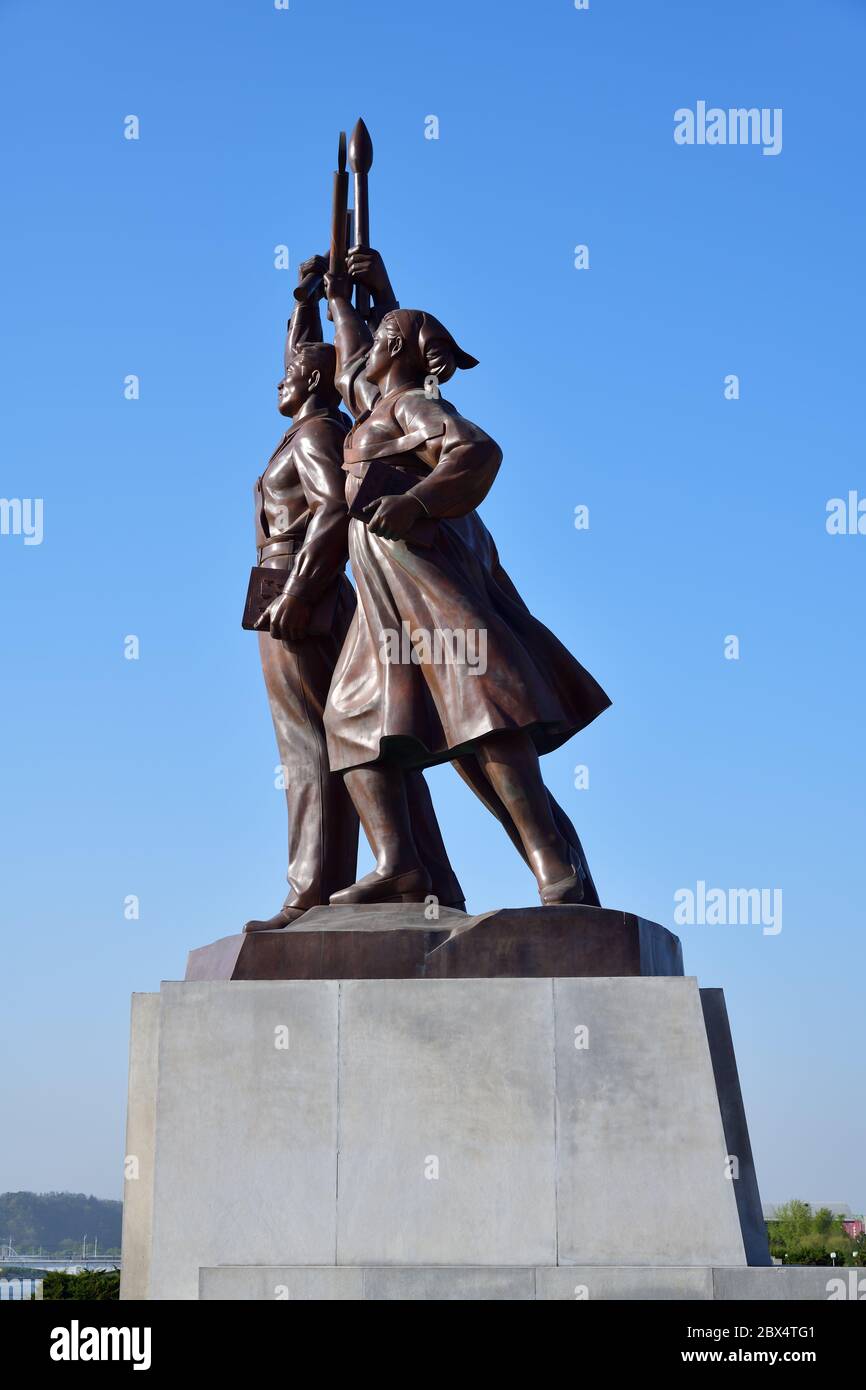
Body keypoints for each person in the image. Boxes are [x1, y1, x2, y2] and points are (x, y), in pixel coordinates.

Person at [322, 250, 611, 908]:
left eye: (383, 337)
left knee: (480, 719)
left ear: (399, 351)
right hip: (384, 600)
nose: (367, 350)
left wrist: (417, 501)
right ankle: (398, 863)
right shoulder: (376, 405)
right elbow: (352, 373)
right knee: (351, 720)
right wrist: (344, 301)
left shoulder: (413, 407)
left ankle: (553, 867)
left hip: (426, 582)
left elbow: (477, 450)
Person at [244, 256, 466, 930]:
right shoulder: (315, 425)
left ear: (312, 379)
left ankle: (310, 889)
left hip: (298, 591)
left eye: (290, 372)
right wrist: (305, 301)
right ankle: (420, 875)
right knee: (363, 739)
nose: (279, 380)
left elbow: (334, 512)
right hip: (297, 588)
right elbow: (304, 358)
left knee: (314, 744)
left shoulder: (317, 435)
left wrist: (301, 591)